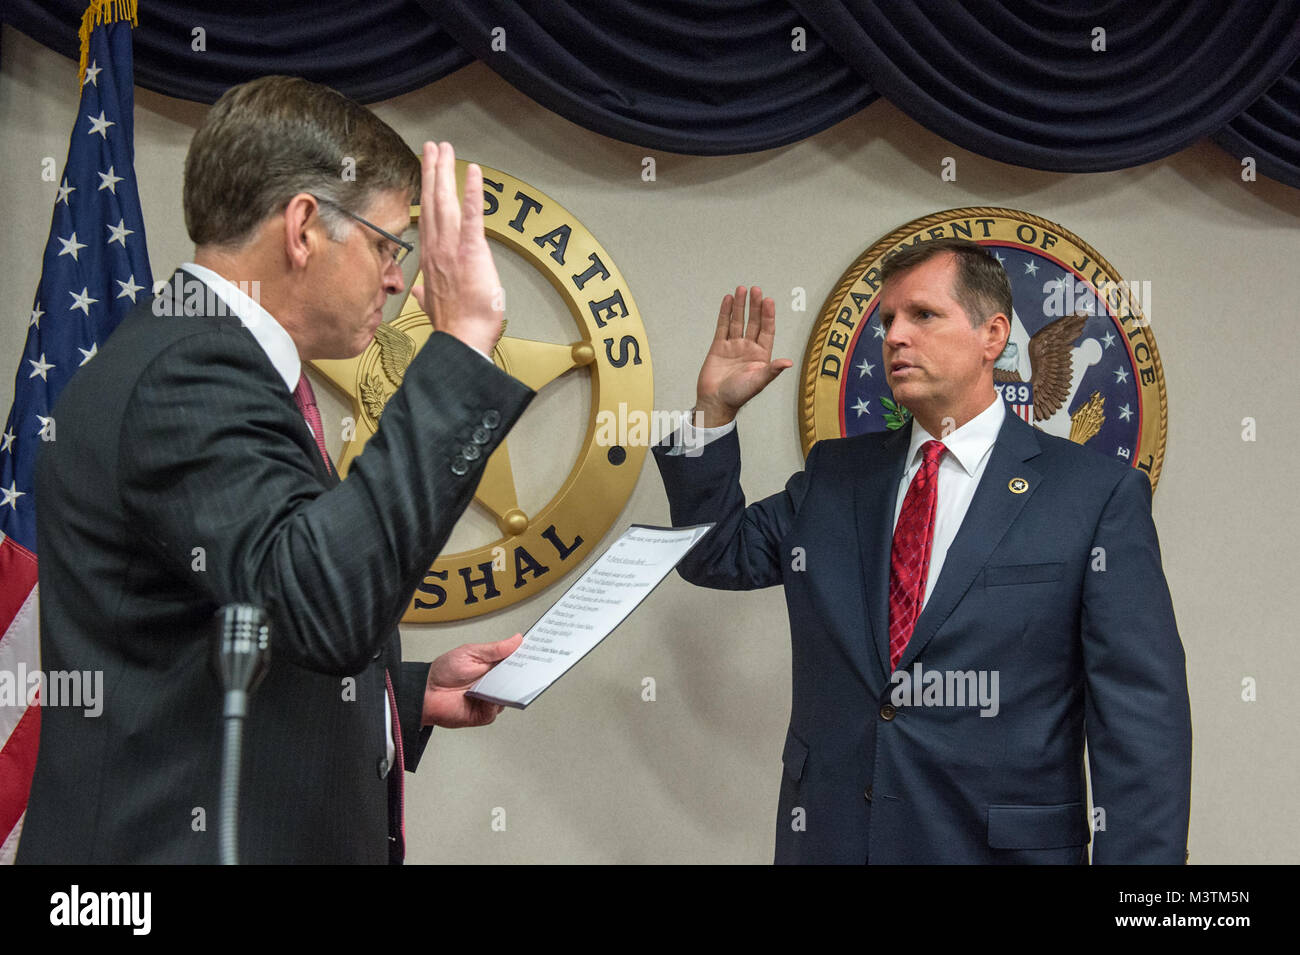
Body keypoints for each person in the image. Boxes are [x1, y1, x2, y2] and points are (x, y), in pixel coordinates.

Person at [17, 76, 533, 864]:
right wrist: (459, 348)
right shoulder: (187, 376)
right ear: (303, 229)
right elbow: (325, 601)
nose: (399, 281)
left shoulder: (212, 361)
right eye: (390, 245)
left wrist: (404, 695)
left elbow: (259, 602)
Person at [653, 238, 1192, 864]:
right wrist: (713, 412)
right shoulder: (837, 476)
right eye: (887, 321)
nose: (895, 337)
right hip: (835, 842)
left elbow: (1140, 719)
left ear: (993, 335)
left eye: (922, 316)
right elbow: (714, 555)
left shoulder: (1094, 497)